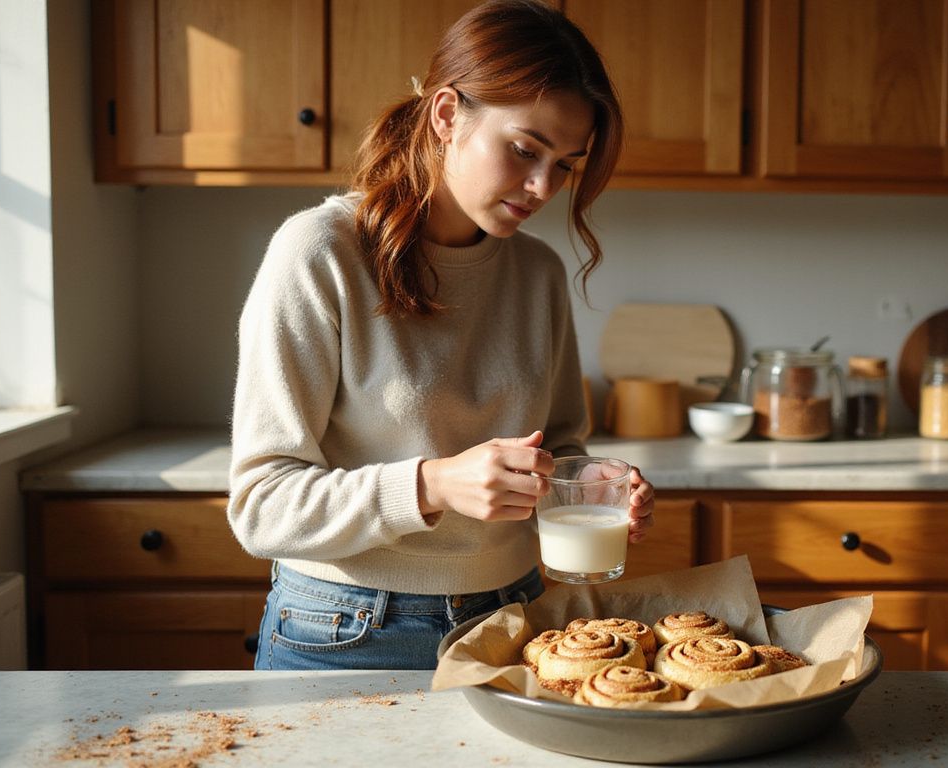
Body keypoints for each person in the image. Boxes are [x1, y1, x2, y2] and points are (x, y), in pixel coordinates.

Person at [227, 0, 654, 671]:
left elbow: (561, 445)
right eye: (523, 149)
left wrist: (592, 481)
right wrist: (430, 485)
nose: (544, 186)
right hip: (345, 631)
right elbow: (261, 507)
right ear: (448, 115)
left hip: (515, 619)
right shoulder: (319, 253)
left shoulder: (538, 274)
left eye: (565, 165)